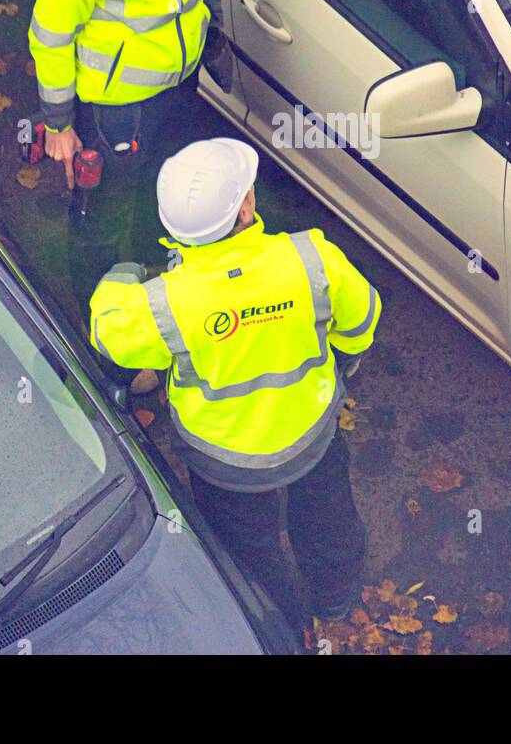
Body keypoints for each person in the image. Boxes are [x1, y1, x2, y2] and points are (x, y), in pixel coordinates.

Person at [89, 137, 380, 631]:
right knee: (329, 526)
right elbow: (362, 322)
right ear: (246, 206)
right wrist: (341, 368)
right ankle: (336, 601)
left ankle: (283, 625)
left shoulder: (160, 306)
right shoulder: (312, 259)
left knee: (251, 555)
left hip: (224, 465)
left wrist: (122, 275)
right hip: (314, 436)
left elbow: (107, 334)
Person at [27, 0, 233, 314]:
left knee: (166, 184)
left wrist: (213, 25)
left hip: (180, 83)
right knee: (103, 215)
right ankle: (102, 320)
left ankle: (152, 273)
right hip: (116, 107)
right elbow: (50, 39)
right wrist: (58, 124)